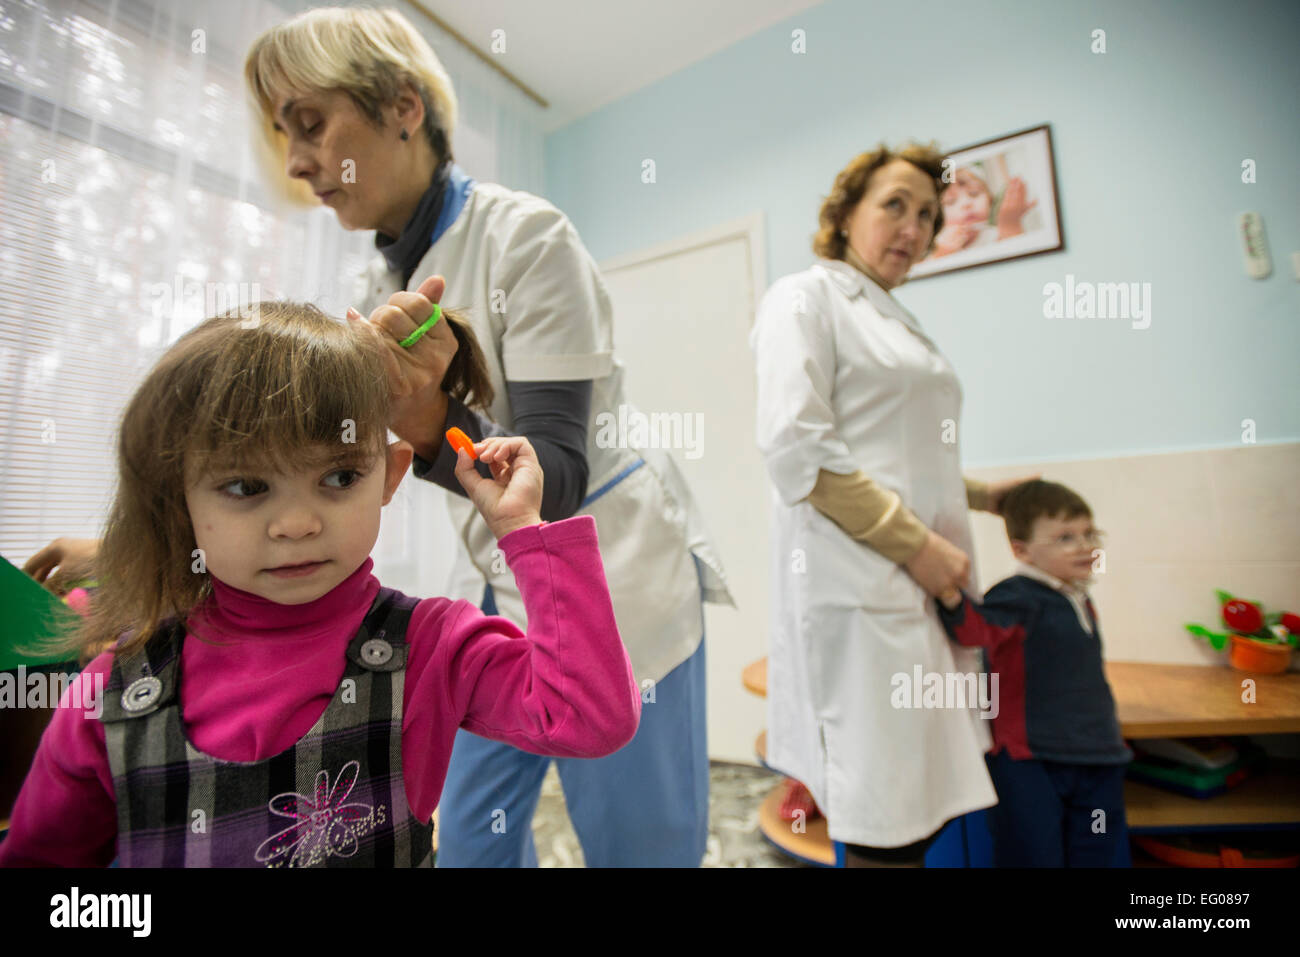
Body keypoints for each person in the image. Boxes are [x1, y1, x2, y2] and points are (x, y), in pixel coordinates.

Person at [242, 7, 730, 867]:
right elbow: (308, 462)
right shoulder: (367, 280)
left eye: (312, 125)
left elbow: (558, 475)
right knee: (469, 841)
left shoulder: (527, 236)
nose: (298, 163)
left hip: (616, 586)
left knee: (639, 848)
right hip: (499, 589)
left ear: (402, 106)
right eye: (285, 134)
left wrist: (429, 415)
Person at [0, 297, 639, 867]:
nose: (300, 524)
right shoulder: (113, 691)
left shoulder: (430, 646)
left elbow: (588, 718)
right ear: (179, 498)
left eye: (338, 478)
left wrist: (524, 530)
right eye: (247, 487)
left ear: (389, 475)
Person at [751, 142, 1034, 868]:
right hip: (867, 592)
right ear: (846, 213)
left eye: (929, 215)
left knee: (922, 813)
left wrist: (986, 494)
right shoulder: (806, 298)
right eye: (895, 205)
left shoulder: (893, 319)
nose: (913, 227)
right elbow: (799, 450)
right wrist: (923, 550)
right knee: (886, 827)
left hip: (919, 597)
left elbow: (900, 455)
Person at [937, 480, 1132, 867]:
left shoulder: (1076, 595)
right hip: (1032, 761)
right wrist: (948, 591)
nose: (1083, 545)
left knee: (1097, 852)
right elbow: (973, 629)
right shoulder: (1017, 597)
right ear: (1021, 550)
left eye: (1088, 533)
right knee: (1031, 855)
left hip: (1096, 755)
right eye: (1065, 537)